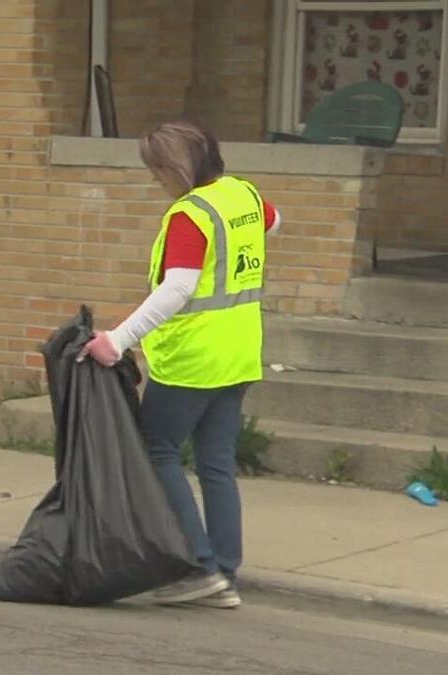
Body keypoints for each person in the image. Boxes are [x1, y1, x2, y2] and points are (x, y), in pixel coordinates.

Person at [78, 120, 280, 609]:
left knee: (158, 452)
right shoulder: (243, 196)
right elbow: (275, 222)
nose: (156, 182)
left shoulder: (190, 215)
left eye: (157, 172)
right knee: (217, 464)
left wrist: (118, 340)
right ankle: (225, 570)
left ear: (174, 168)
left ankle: (199, 567)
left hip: (191, 359)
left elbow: (177, 288)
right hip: (240, 352)